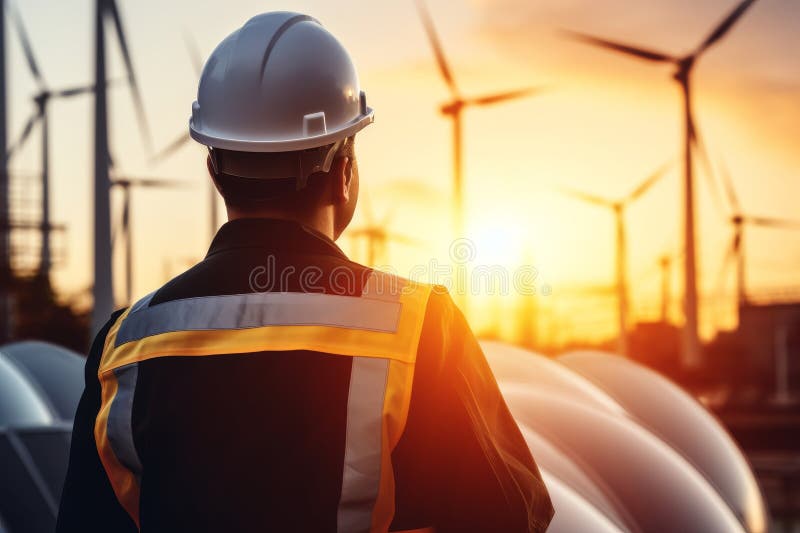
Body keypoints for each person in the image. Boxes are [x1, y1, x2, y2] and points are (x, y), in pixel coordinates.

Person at [56, 12, 553, 533]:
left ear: (213, 170)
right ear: (344, 172)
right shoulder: (418, 330)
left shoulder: (124, 348)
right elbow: (511, 519)